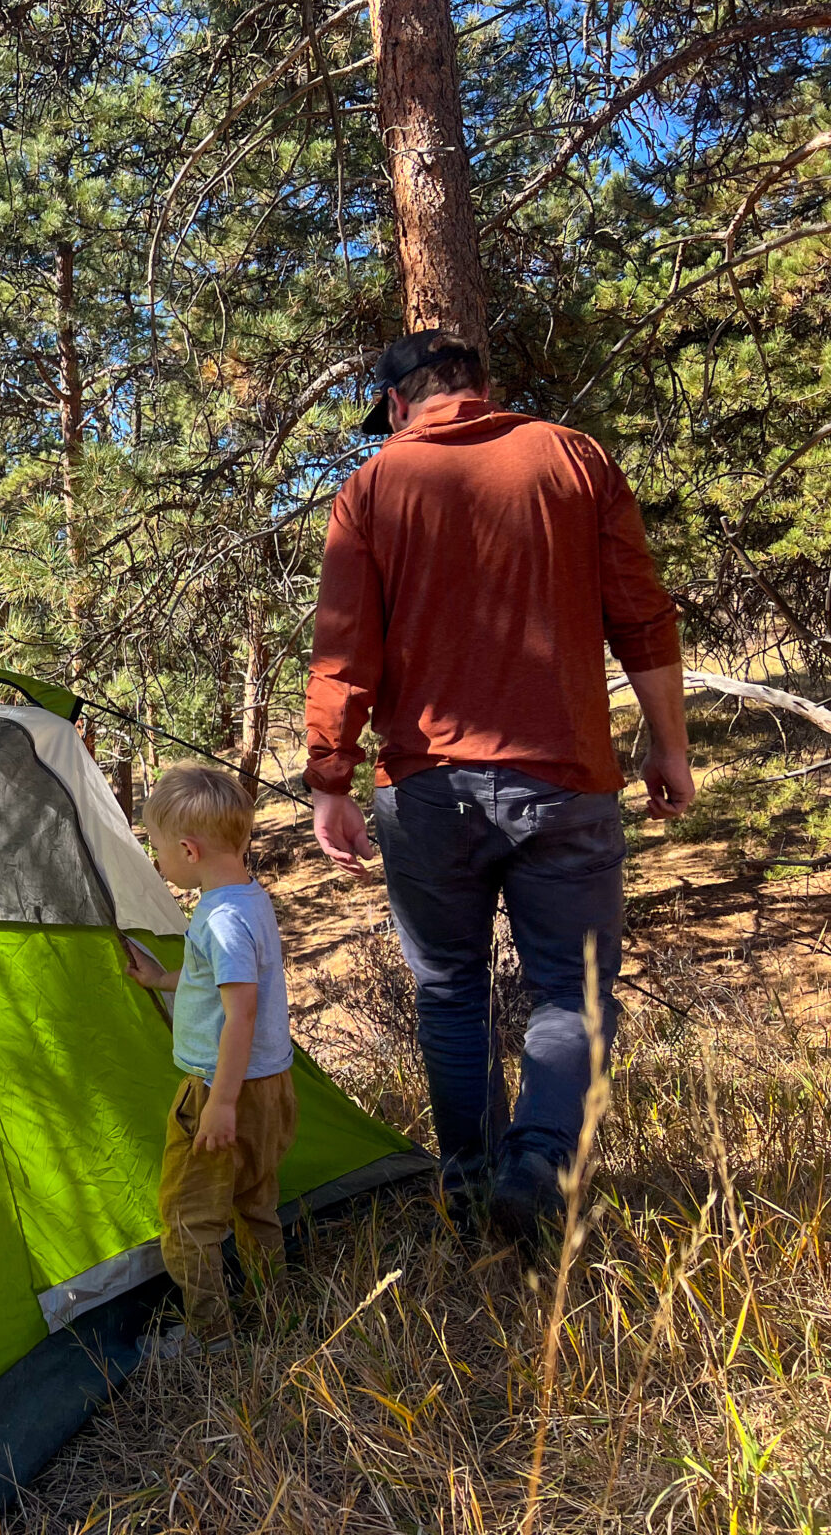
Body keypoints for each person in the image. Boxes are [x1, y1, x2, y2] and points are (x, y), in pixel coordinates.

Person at [304, 329, 693, 1237]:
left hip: (427, 792)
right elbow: (641, 616)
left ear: (398, 405)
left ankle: (474, 1182)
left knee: (448, 989)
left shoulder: (371, 487)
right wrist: (667, 746)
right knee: (572, 990)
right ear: (484, 387)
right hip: (564, 780)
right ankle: (540, 1169)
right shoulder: (571, 457)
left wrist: (331, 779)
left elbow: (342, 652)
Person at [125, 765, 295, 1336]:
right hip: (271, 1087)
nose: (157, 860)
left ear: (188, 850)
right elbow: (221, 985)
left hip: (221, 1089)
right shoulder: (248, 900)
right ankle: (275, 1308)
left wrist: (219, 1103)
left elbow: (240, 1013)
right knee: (254, 1202)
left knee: (186, 1216)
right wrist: (160, 979)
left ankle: (210, 1333)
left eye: (157, 849)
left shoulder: (219, 919)